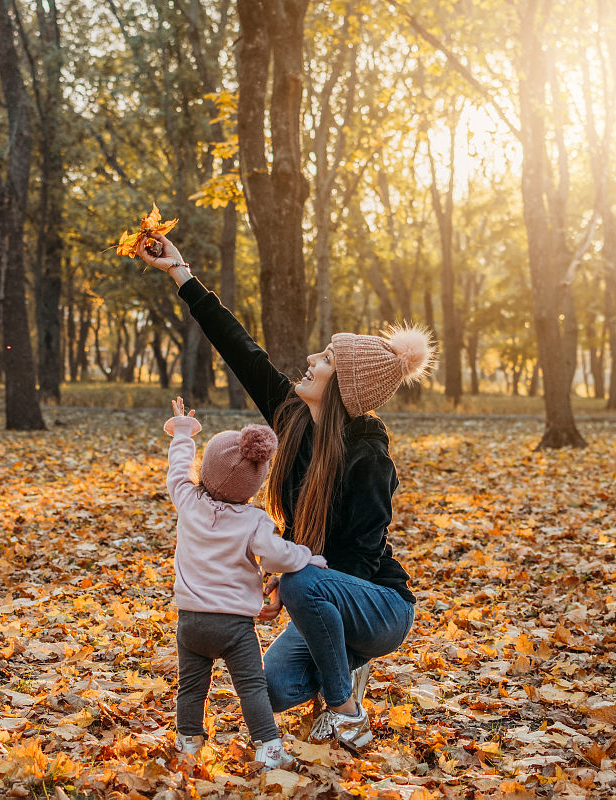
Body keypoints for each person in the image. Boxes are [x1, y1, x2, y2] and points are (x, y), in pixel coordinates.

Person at [142, 234, 434, 753]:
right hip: (319, 594)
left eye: (324, 359)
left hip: (379, 607)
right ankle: (337, 669)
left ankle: (345, 705)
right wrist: (180, 274)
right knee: (273, 690)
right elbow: (239, 347)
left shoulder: (369, 461)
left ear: (343, 385)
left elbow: (360, 560)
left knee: (301, 584)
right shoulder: (292, 417)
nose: (310, 359)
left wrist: (286, 584)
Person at [164, 396, 327, 770]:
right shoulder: (254, 520)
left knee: (192, 687)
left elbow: (176, 470)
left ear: (206, 469)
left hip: (191, 621)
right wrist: (307, 557)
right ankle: (268, 748)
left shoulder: (188, 500)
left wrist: (184, 431)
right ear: (254, 483)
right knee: (251, 687)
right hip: (235, 627)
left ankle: (188, 742)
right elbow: (276, 556)